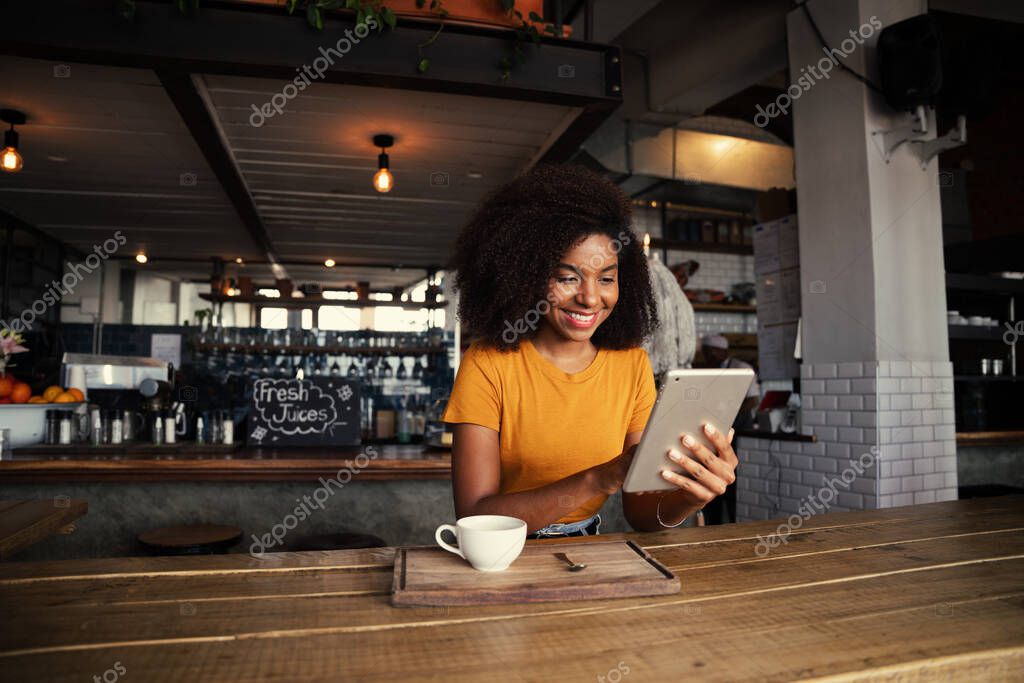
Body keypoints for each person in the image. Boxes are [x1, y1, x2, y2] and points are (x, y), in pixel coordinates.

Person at [441, 165, 739, 538]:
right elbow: (473, 516)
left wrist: (693, 494)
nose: (590, 297)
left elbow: (642, 514)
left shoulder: (631, 366)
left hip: (586, 552)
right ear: (526, 276)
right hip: (503, 556)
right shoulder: (488, 364)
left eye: (606, 278)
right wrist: (599, 478)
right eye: (567, 277)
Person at [698, 334, 761, 525]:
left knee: (733, 478)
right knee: (713, 476)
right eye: (706, 353)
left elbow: (753, 400)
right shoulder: (708, 370)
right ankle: (712, 523)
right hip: (716, 432)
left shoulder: (741, 368)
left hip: (739, 429)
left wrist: (727, 414)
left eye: (712, 352)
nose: (709, 357)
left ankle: (733, 521)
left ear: (723, 351)